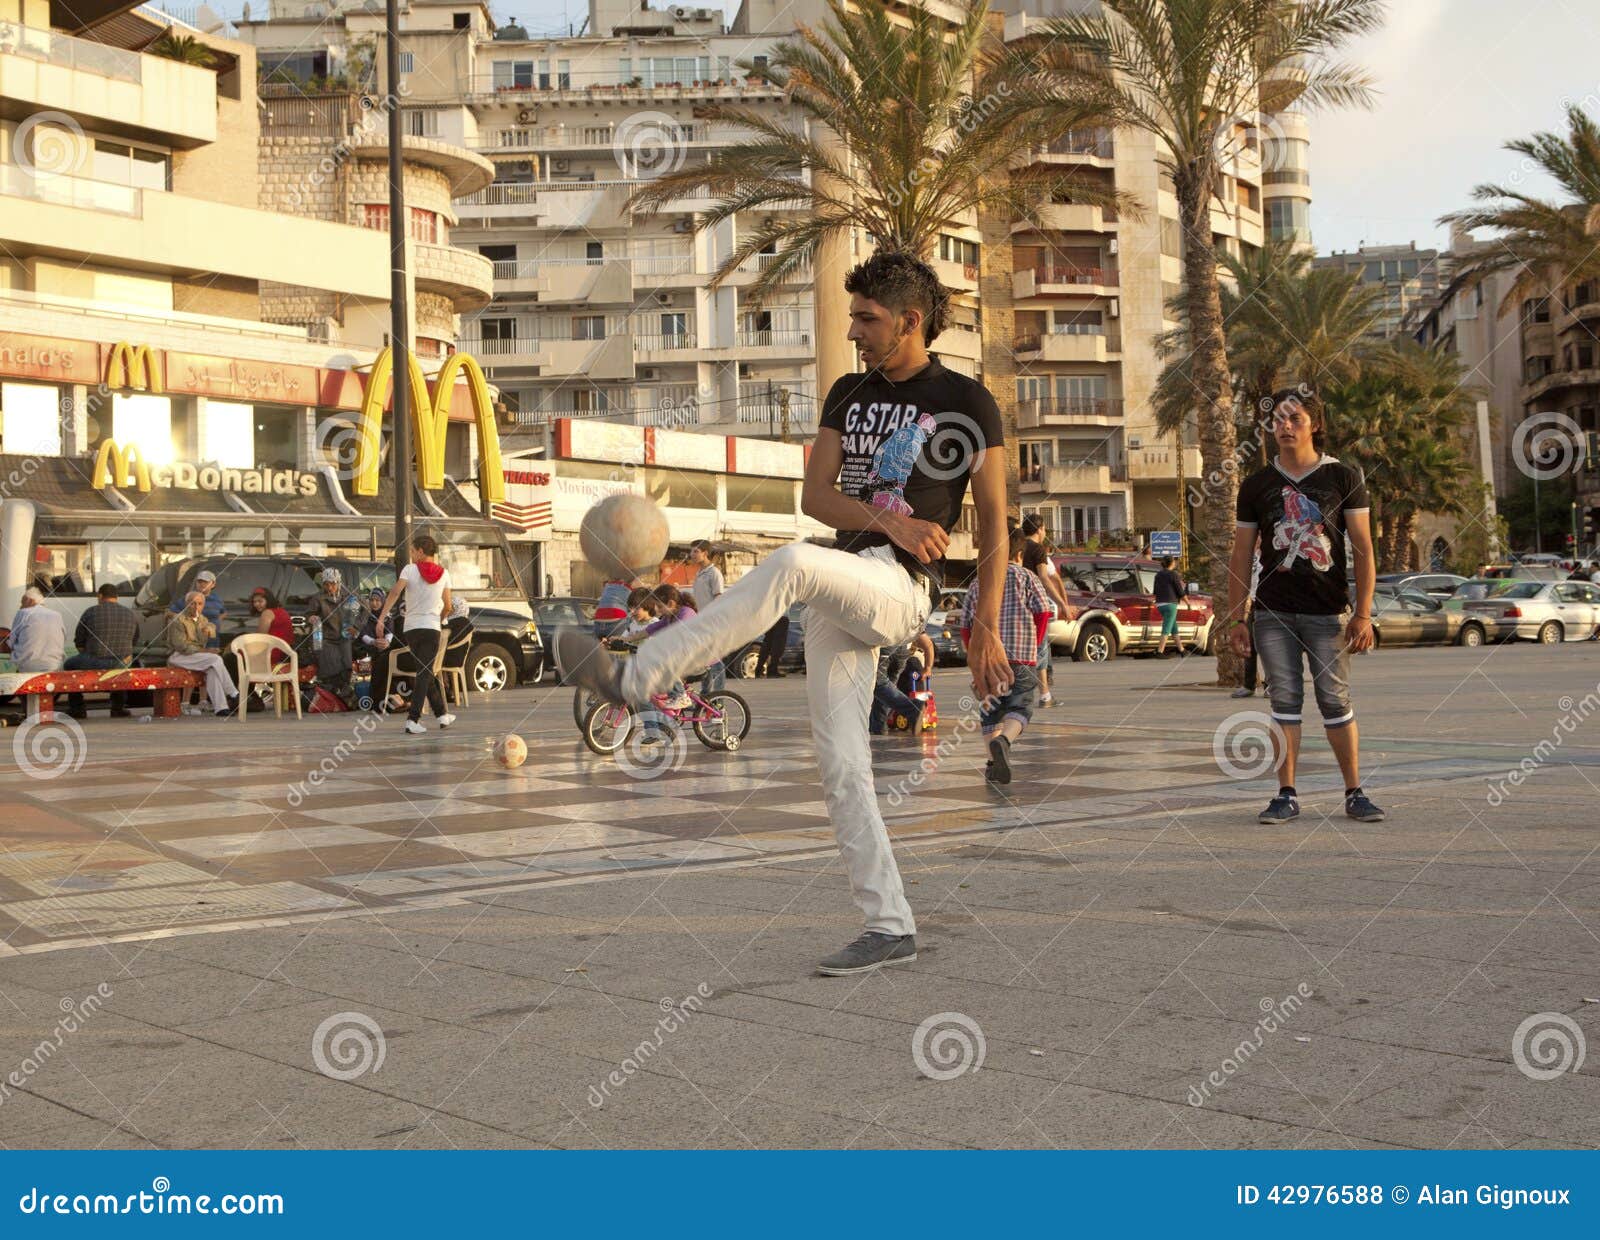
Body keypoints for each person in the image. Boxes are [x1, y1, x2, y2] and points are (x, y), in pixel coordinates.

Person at [557, 250, 1010, 977]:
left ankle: (638, 678)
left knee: (794, 563)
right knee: (838, 763)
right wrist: (886, 520)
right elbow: (816, 498)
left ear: (909, 321)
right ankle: (889, 925)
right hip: (847, 579)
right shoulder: (847, 393)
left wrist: (983, 623)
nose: (856, 331)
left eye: (867, 319)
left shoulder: (967, 401)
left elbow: (995, 521)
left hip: (899, 590)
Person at [1226, 387, 1385, 824]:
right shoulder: (1257, 485)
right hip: (1272, 612)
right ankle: (1286, 794)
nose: (1285, 426)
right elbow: (1241, 555)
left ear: (1315, 423)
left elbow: (1364, 550)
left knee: (1335, 701)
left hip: (1327, 611)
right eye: (1278, 419)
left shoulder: (1343, 477)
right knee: (1284, 702)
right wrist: (1237, 616)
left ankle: (1354, 791)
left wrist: (1363, 612)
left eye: (1295, 418)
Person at [961, 530, 1052, 784]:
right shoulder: (1027, 577)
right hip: (1022, 657)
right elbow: (1043, 612)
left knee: (990, 710)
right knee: (1021, 706)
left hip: (988, 661)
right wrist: (1033, 642)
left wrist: (973, 655)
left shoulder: (979, 582)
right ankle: (1005, 740)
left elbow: (966, 626)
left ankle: (992, 763)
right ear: (1020, 554)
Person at [376, 534, 456, 735]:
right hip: (431, 628)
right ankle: (413, 719)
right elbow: (448, 606)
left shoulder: (409, 570)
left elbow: (395, 593)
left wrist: (381, 617)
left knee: (424, 670)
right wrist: (440, 619)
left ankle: (442, 715)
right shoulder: (444, 574)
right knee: (424, 672)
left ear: (421, 551)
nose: (411, 555)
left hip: (411, 628)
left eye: (412, 551)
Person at [63, 584, 136, 718]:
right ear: (117, 597)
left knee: (68, 665)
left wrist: (85, 654)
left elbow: (79, 640)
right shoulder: (129, 613)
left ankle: (77, 707)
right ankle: (118, 707)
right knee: (120, 668)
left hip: (95, 659)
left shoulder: (90, 612)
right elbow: (135, 639)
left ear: (100, 596)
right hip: (122, 661)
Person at [1021, 515, 1068, 706]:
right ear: (1039, 529)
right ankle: (1045, 695)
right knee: (1040, 648)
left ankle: (1019, 693)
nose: (1045, 533)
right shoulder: (1037, 549)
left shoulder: (1016, 546)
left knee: (1022, 650)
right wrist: (1062, 602)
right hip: (1034, 604)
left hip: (1016, 603)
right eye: (1045, 529)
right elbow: (1045, 577)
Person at [167, 590, 238, 716]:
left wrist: (209, 630)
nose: (196, 607)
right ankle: (232, 692)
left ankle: (221, 708)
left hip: (194, 656)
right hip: (178, 656)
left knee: (212, 669)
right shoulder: (178, 620)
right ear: (186, 603)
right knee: (215, 660)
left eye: (199, 604)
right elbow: (181, 646)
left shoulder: (203, 620)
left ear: (203, 605)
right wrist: (206, 651)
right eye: (192, 603)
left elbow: (204, 640)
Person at [308, 568, 358, 700]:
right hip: (326, 637)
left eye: (333, 583)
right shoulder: (317, 598)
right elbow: (310, 614)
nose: (330, 587)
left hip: (343, 637)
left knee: (346, 664)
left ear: (339, 583)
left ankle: (343, 693)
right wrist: (312, 618)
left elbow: (358, 613)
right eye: (327, 584)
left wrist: (354, 626)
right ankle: (332, 694)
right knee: (329, 662)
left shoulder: (348, 597)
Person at [688, 539, 727, 693]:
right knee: (705, 662)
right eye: (691, 551)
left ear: (705, 553)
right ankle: (706, 696)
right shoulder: (699, 573)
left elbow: (719, 599)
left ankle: (718, 699)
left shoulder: (714, 573)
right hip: (701, 623)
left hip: (712, 623)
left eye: (696, 551)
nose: (692, 554)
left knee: (716, 663)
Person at [8, 587, 65, 673]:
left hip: (28, 667)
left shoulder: (23, 613)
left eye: (22, 603)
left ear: (30, 601)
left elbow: (11, 643)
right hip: (55, 666)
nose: (20, 606)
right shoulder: (57, 615)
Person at [869, 640, 921, 735]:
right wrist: (928, 667)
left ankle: (913, 709)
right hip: (903, 650)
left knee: (878, 684)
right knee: (887, 691)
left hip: (885, 647)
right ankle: (879, 728)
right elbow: (927, 641)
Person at [1152, 555, 1187, 657]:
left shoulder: (1158, 575)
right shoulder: (1173, 574)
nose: (1175, 562)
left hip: (1160, 604)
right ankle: (1160, 651)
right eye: (1174, 561)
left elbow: (1155, 591)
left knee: (1173, 627)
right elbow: (1180, 591)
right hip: (1170, 604)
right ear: (1172, 563)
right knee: (1167, 628)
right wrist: (1188, 603)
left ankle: (1182, 650)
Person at [753, 611, 790, 677]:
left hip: (769, 617)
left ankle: (758, 669)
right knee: (778, 645)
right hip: (781, 616)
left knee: (767, 643)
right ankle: (772, 671)